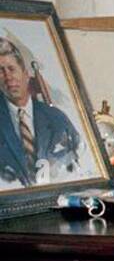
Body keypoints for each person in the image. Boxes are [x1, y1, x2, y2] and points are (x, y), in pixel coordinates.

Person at [0, 36, 83, 187]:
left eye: (11, 69)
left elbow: (76, 167)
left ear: (26, 75)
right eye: (0, 71)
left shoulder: (56, 118)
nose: (8, 77)